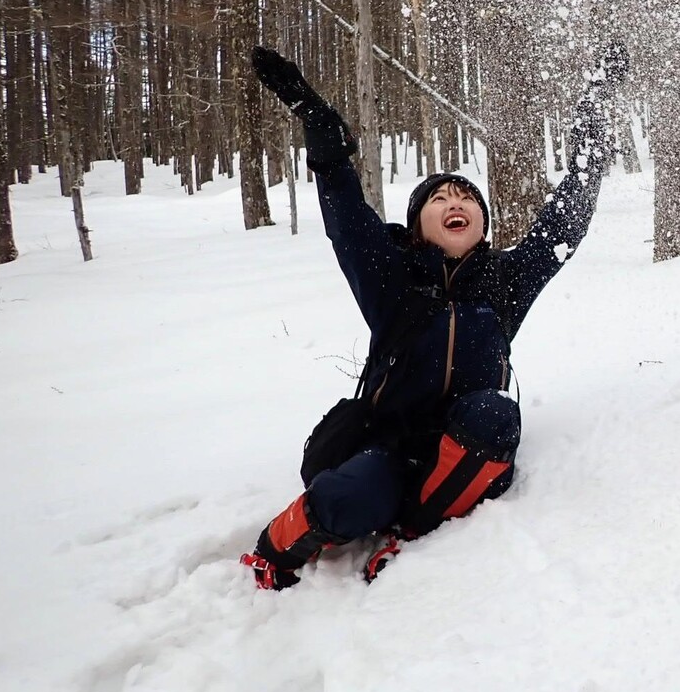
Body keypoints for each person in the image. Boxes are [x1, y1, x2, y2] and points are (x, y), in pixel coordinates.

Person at [240, 45, 627, 589]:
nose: (457, 201)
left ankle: (414, 531)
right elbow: (346, 214)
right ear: (418, 223)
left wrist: (593, 122)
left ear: (481, 225)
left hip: (462, 454)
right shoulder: (389, 275)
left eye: (468, 196)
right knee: (347, 496)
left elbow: (565, 223)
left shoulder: (505, 282)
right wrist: (320, 125)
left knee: (495, 416)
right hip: (386, 448)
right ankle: (271, 551)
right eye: (440, 196)